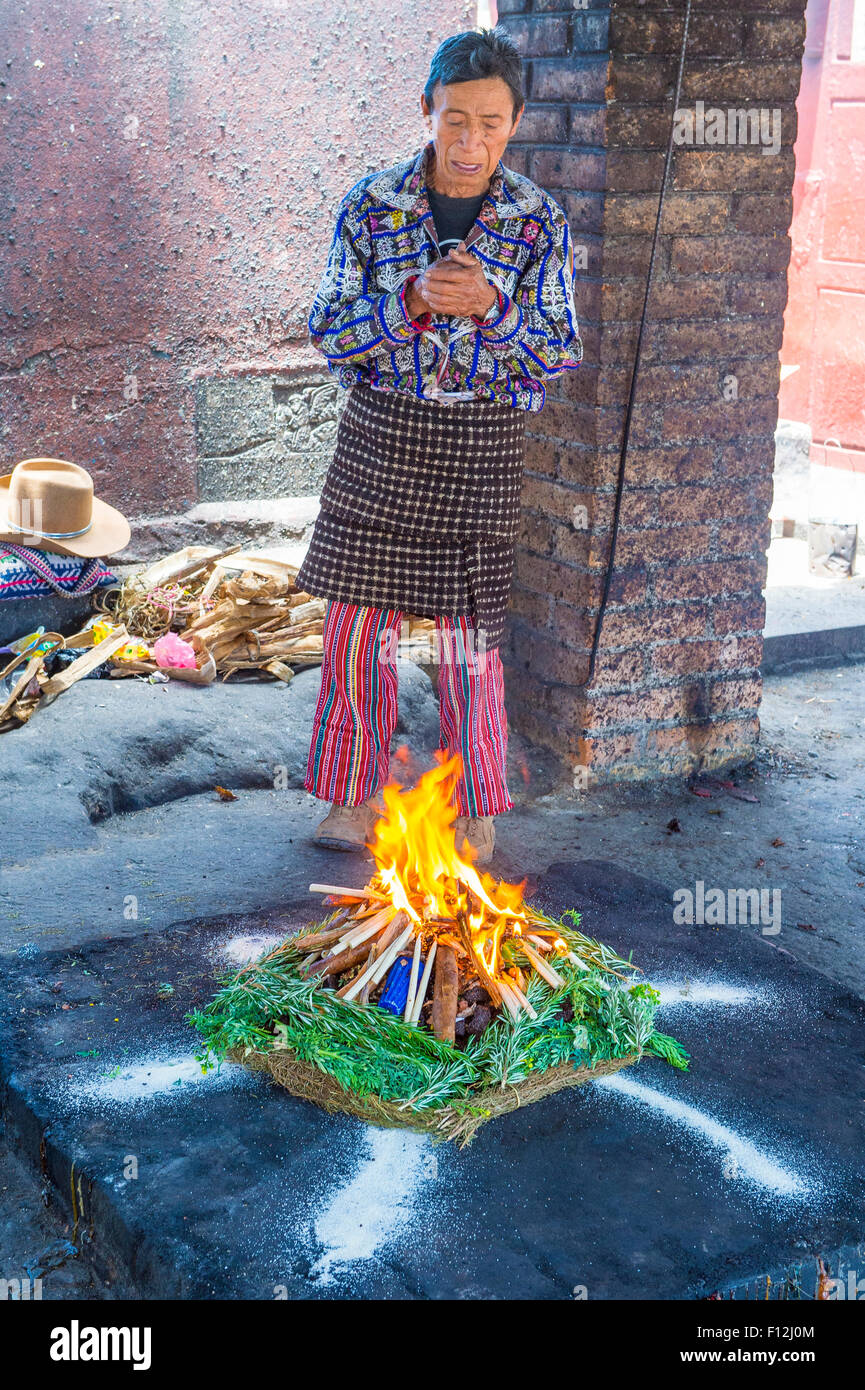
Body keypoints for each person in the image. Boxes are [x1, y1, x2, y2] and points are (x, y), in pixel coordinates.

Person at [298, 26, 582, 863]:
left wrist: (492, 307)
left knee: (467, 646)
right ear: (427, 110)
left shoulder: (536, 223)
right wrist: (412, 303)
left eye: (491, 124)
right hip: (381, 441)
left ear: (515, 123)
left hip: (479, 446)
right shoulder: (370, 204)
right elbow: (328, 332)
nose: (471, 142)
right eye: (455, 119)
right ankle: (351, 798)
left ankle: (468, 809)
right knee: (356, 633)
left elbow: (558, 348)